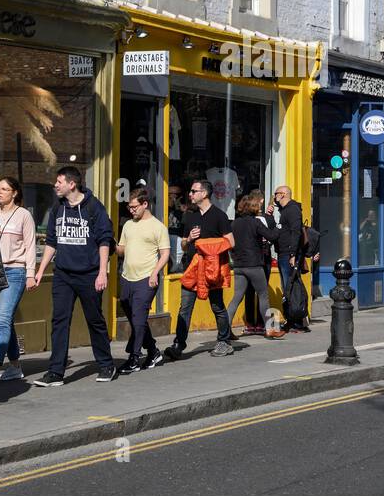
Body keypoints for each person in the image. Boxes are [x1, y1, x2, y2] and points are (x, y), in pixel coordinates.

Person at [31, 165, 117, 386]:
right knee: (60, 320)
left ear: (72, 184)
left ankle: (107, 365)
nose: (55, 185)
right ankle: (55, 372)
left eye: (59, 182)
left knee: (94, 320)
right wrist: (40, 271)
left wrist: (102, 273)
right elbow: (52, 242)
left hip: (89, 274)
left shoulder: (94, 207)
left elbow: (104, 240)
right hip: (63, 275)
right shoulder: (58, 208)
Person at [165, 180, 237, 358]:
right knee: (185, 308)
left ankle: (224, 341)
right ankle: (178, 344)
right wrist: (189, 238)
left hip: (212, 270)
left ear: (204, 194)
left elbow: (230, 242)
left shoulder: (219, 216)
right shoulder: (190, 216)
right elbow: (182, 243)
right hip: (192, 269)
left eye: (193, 191)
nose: (190, 194)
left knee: (217, 306)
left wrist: (207, 246)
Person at [0, 177, 35, 383]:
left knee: (2, 319)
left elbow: (30, 246)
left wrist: (30, 274)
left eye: (4, 189)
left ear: (15, 193)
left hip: (15, 271)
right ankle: (15, 366)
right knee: (5, 321)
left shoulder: (24, 215)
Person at [114, 187, 170, 376]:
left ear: (145, 204)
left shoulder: (157, 227)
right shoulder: (129, 225)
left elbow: (165, 253)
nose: (131, 210)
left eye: (134, 207)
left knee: (138, 318)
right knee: (133, 315)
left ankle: (134, 358)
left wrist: (155, 273)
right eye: (129, 207)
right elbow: (121, 249)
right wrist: (111, 244)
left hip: (147, 278)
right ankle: (153, 351)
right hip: (127, 277)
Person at [227, 191, 283, 339]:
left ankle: (224, 330)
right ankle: (270, 329)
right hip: (254, 265)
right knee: (264, 295)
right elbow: (271, 236)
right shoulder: (255, 222)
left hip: (238, 265)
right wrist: (279, 225)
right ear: (252, 208)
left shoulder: (234, 223)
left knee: (236, 297)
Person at [268, 186, 308, 333]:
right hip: (284, 253)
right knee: (289, 287)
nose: (274, 197)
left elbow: (296, 232)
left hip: (288, 255)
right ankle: (295, 318)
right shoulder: (285, 211)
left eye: (276, 194)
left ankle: (296, 320)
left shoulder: (292, 210)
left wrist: (292, 254)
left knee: (290, 287)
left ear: (283, 195)